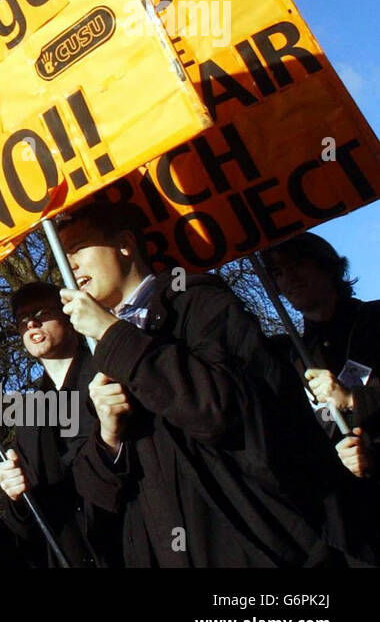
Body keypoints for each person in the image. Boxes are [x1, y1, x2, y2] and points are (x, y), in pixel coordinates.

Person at [55, 200, 350, 567]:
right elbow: (94, 497)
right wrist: (108, 439)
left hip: (259, 551)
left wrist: (115, 335)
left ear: (125, 243)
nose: (70, 265)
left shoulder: (200, 305)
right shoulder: (92, 362)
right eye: (62, 257)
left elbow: (221, 411)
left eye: (78, 247)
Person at [0, 282, 120, 567]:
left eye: (41, 312)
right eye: (22, 319)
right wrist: (16, 498)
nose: (31, 323)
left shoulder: (109, 376)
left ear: (68, 316)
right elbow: (27, 531)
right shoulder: (28, 418)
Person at [263, 231, 380, 478]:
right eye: (278, 273)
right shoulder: (291, 357)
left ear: (327, 266)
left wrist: (352, 399)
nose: (289, 278)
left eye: (298, 264)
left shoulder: (375, 319)